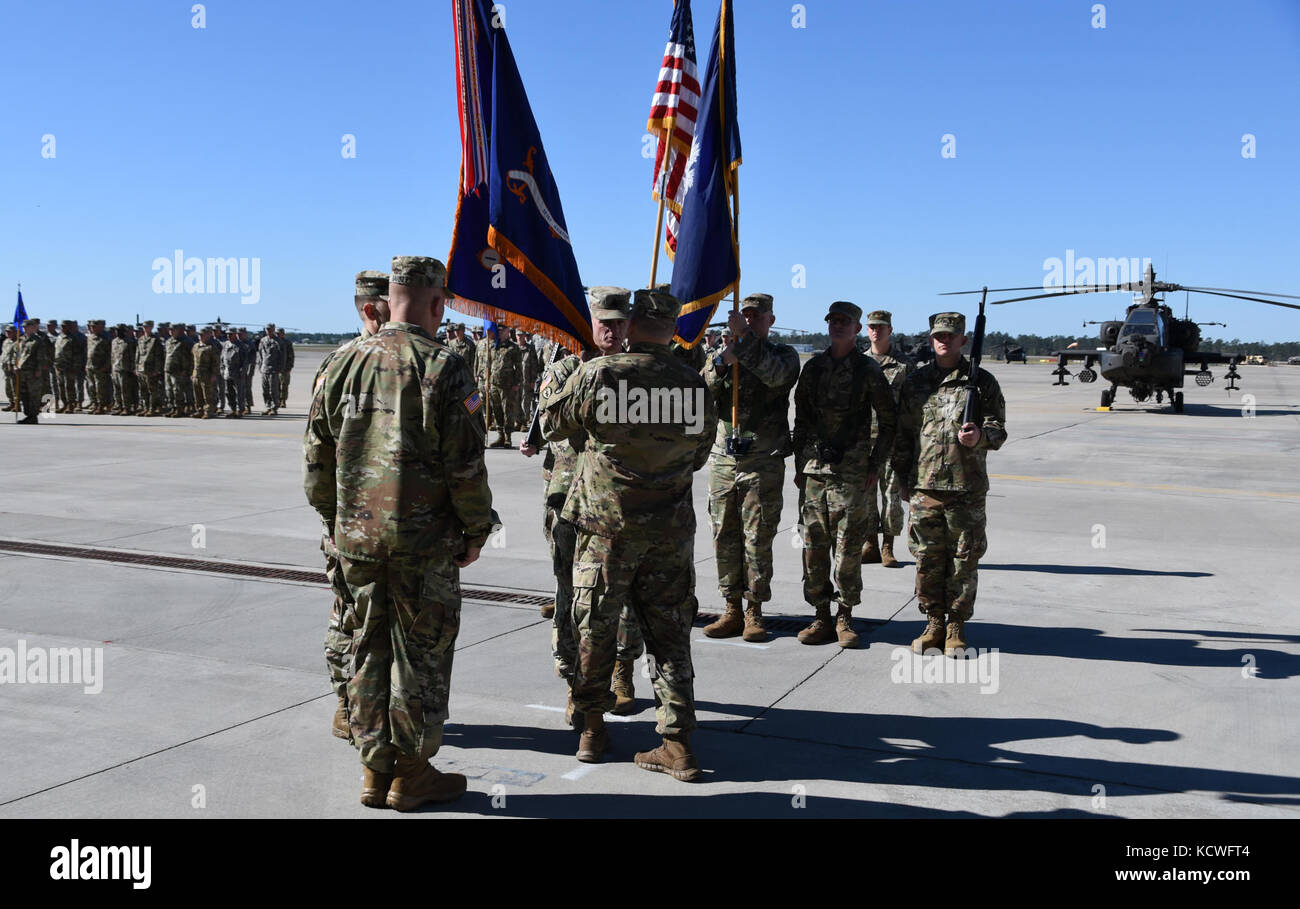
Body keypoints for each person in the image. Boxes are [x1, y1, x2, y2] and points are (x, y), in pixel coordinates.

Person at [304, 255, 493, 811]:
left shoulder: (340, 362)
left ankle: (372, 770)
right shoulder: (444, 365)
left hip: (355, 540)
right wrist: (477, 529)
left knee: (365, 648)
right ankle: (411, 772)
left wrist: (336, 521)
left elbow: (317, 460)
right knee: (420, 654)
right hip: (422, 544)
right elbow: (465, 465)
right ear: (436, 302)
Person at [542, 288, 717, 780]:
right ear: (672, 328)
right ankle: (677, 744)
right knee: (670, 634)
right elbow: (700, 452)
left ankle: (591, 730)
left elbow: (553, 424)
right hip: (669, 530)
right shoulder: (694, 384)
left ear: (634, 322)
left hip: (606, 528)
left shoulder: (601, 374)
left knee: (594, 628)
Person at [525, 287, 646, 720]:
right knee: (570, 595)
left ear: (629, 325)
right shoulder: (563, 371)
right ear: (588, 326)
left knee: (624, 593)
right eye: (603, 323)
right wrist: (594, 376)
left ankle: (622, 670)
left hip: (620, 504)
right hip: (569, 502)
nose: (611, 331)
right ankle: (575, 679)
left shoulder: (641, 372)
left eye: (618, 323)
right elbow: (551, 425)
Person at [892, 312, 1006, 656]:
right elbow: (904, 434)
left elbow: (998, 430)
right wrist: (900, 477)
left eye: (951, 335)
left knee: (963, 560)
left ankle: (956, 625)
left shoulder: (982, 381)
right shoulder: (916, 382)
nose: (944, 340)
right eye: (939, 335)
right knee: (926, 559)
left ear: (963, 340)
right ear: (931, 340)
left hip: (965, 488)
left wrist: (980, 436)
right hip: (925, 487)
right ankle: (933, 623)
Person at [791, 301, 897, 648]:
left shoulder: (868, 371)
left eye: (845, 322)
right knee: (813, 547)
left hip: (851, 474)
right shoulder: (814, 368)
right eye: (833, 321)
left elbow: (889, 421)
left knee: (849, 549)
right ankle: (821, 614)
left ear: (856, 328)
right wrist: (799, 466)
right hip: (815, 473)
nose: (837, 326)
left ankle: (845, 615)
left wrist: (874, 464)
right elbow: (802, 420)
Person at [701, 293, 799, 641]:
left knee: (757, 539)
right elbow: (703, 390)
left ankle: (754, 610)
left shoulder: (783, 354)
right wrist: (723, 362)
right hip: (725, 460)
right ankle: (730, 607)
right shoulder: (727, 352)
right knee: (724, 536)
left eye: (758, 317)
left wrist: (745, 343)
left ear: (771, 320)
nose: (750, 320)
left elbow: (775, 377)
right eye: (745, 316)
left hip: (762, 460)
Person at [317, 269, 390, 737]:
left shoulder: (406, 358)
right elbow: (318, 451)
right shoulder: (340, 364)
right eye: (389, 304)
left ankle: (388, 710)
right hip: (352, 521)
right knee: (349, 616)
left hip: (398, 520)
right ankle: (347, 703)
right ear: (369, 309)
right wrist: (332, 517)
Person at [861, 310, 915, 568]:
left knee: (892, 497)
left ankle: (887, 547)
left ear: (890, 330)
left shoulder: (904, 365)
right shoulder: (860, 363)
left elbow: (914, 404)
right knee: (866, 496)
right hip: (866, 441)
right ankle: (870, 543)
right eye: (872, 327)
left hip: (893, 440)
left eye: (881, 327)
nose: (876, 331)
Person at [474, 322, 522, 447]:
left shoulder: (513, 347)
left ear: (508, 331)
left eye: (502, 330)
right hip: (493, 384)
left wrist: (517, 382)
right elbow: (487, 365)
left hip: (508, 384)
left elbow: (519, 367)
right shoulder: (493, 346)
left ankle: (508, 437)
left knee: (508, 411)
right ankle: (500, 436)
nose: (500, 331)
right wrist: (485, 381)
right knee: (496, 411)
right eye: (498, 329)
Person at [16, 318, 54, 423]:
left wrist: (39, 369)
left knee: (33, 394)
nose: (24, 329)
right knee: (24, 394)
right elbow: (19, 355)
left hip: (33, 371)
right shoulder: (21, 339)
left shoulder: (37, 340)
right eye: (23, 327)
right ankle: (28, 414)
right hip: (22, 371)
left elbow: (41, 357)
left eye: (26, 327)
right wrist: (17, 366)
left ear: (32, 328)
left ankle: (33, 416)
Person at [137, 323, 165, 416]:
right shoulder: (140, 339)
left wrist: (157, 370)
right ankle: (145, 408)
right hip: (141, 369)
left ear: (151, 327)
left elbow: (159, 356)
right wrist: (136, 367)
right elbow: (138, 354)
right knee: (143, 390)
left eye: (148, 327)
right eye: (144, 327)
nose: (146, 329)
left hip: (151, 369)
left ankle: (152, 408)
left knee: (152, 390)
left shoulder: (155, 340)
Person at [257, 323, 284, 415]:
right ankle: (268, 406)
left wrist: (280, 368)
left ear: (273, 329)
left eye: (270, 329)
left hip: (274, 369)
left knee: (273, 390)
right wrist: (260, 366)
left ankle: (274, 408)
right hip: (264, 368)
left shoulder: (278, 341)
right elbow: (260, 354)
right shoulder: (263, 340)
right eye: (267, 329)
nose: (268, 331)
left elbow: (282, 357)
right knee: (265, 390)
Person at [2, 325, 19, 410]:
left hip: (13, 367)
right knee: (8, 387)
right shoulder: (6, 341)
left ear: (15, 332)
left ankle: (17, 404)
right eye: (7, 332)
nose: (8, 333)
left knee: (15, 387)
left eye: (9, 332)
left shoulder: (18, 342)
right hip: (6, 367)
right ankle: (11, 403)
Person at [277, 327, 295, 408]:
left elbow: (291, 355)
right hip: (275, 367)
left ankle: (283, 401)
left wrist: (290, 366)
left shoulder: (287, 343)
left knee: (284, 385)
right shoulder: (274, 341)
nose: (278, 335)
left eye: (279, 333)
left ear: (283, 334)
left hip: (285, 367)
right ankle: (276, 400)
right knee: (275, 385)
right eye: (277, 333)